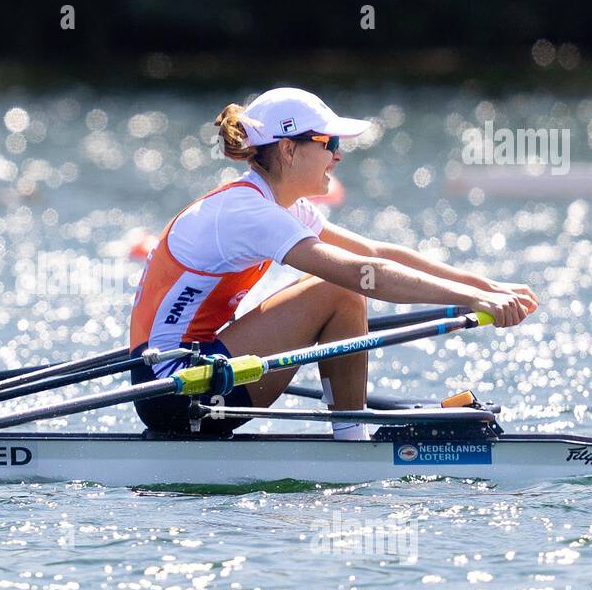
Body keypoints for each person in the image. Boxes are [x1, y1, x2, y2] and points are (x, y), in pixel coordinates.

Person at [129, 87, 538, 438]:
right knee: (341, 288)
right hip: (173, 387)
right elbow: (365, 276)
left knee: (344, 288)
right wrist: (471, 299)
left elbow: (375, 254)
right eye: (330, 144)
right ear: (288, 150)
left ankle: (350, 434)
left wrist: (485, 288)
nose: (339, 156)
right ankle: (352, 442)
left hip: (197, 372)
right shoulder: (247, 212)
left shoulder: (278, 203)